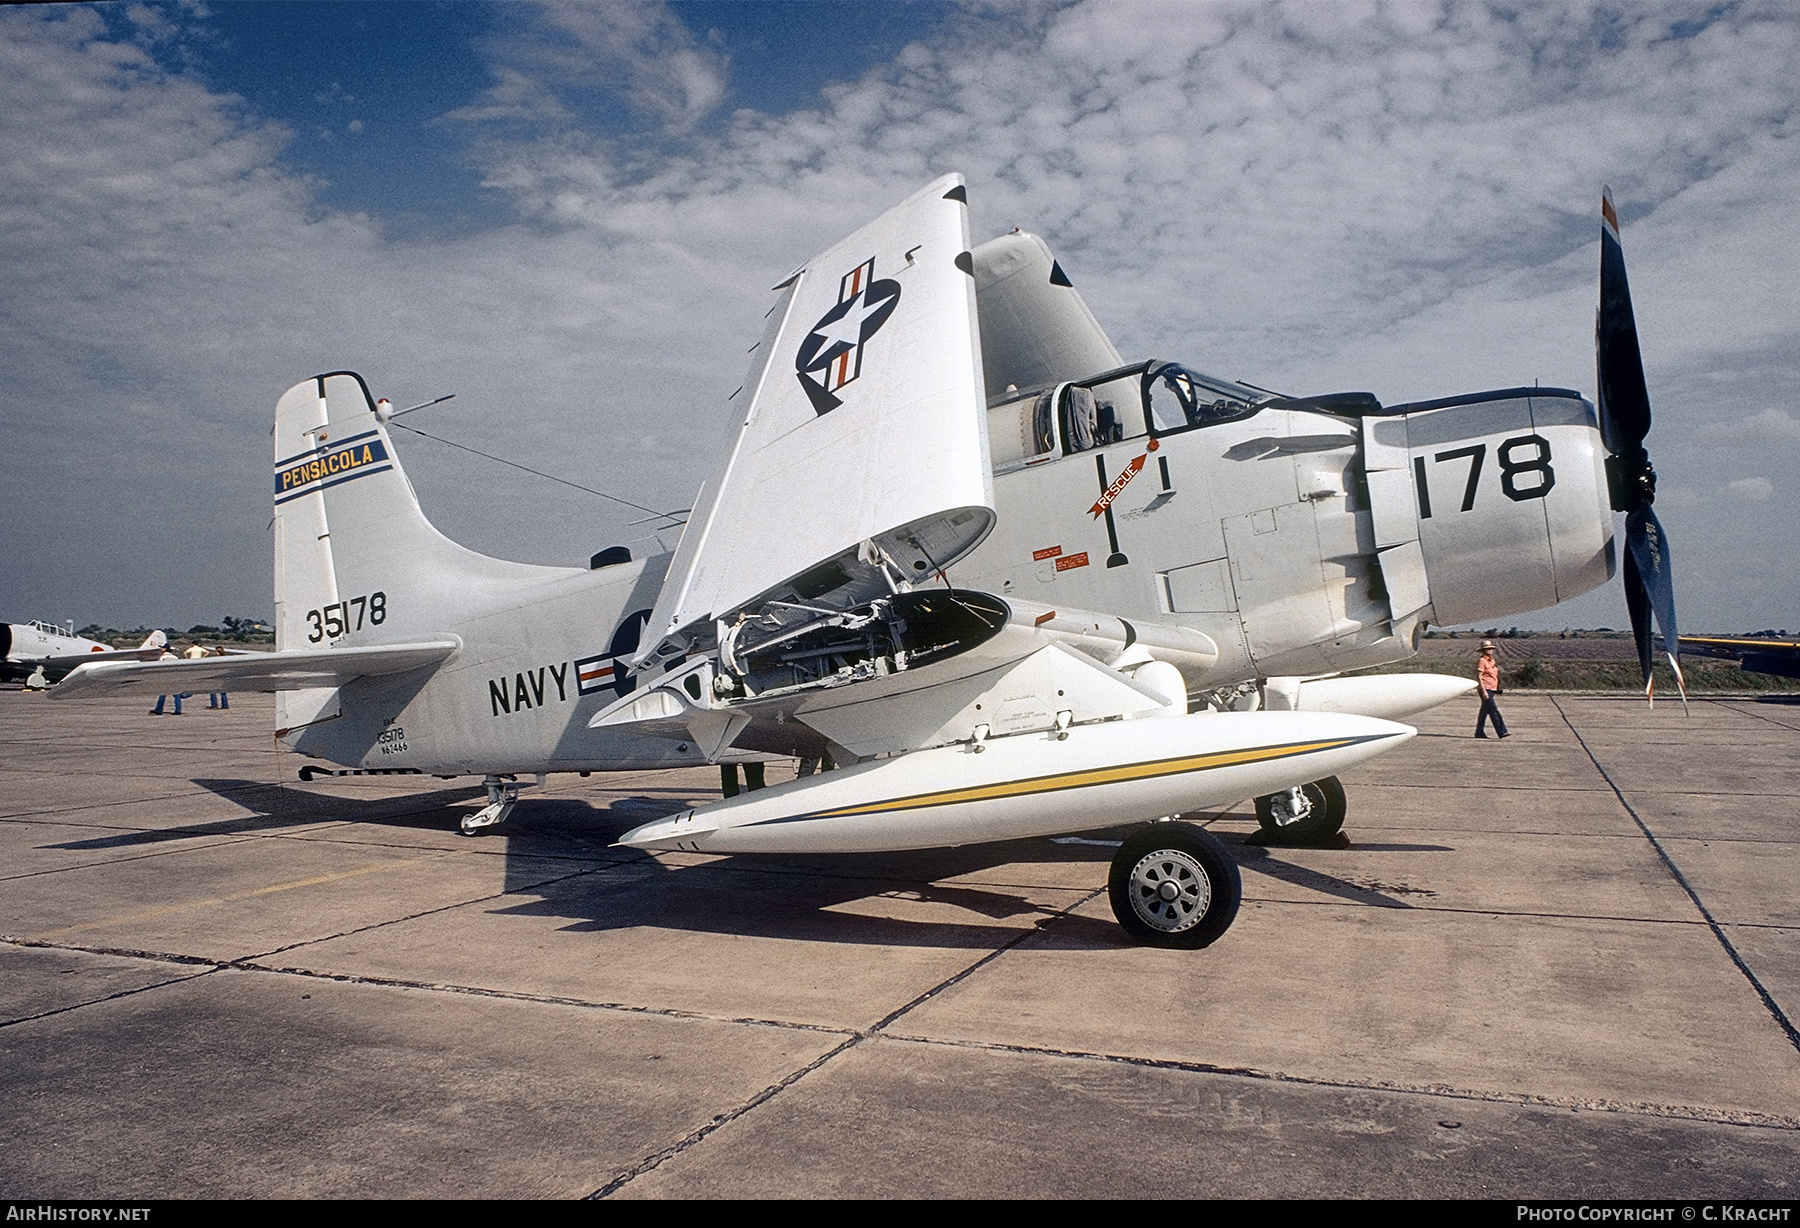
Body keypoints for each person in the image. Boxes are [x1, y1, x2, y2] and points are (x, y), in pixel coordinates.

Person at [1475, 639, 1508, 739]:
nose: (1490, 650)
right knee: (1493, 710)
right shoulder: (1482, 661)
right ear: (1483, 650)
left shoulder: (1491, 660)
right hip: (1485, 688)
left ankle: (1479, 732)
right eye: (1487, 649)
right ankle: (1502, 731)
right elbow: (1479, 676)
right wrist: (1483, 691)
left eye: (1490, 648)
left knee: (1484, 711)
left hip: (1491, 688)